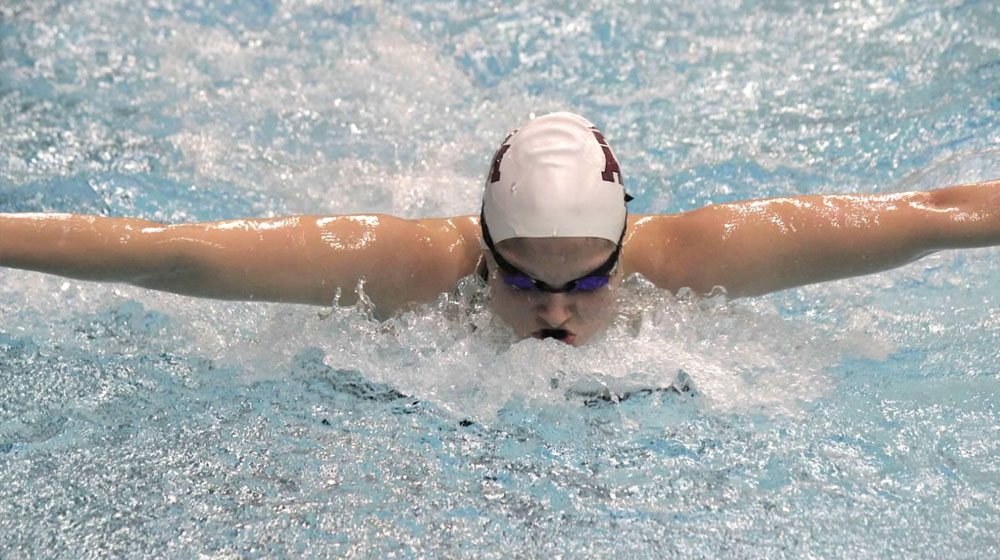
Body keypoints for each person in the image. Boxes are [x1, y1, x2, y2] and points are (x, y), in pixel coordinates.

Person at [1, 112, 998, 346]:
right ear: (481, 249)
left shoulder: (699, 257)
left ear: (626, 244)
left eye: (586, 282)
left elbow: (936, 216)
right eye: (521, 284)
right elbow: (176, 249)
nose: (557, 314)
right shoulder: (401, 267)